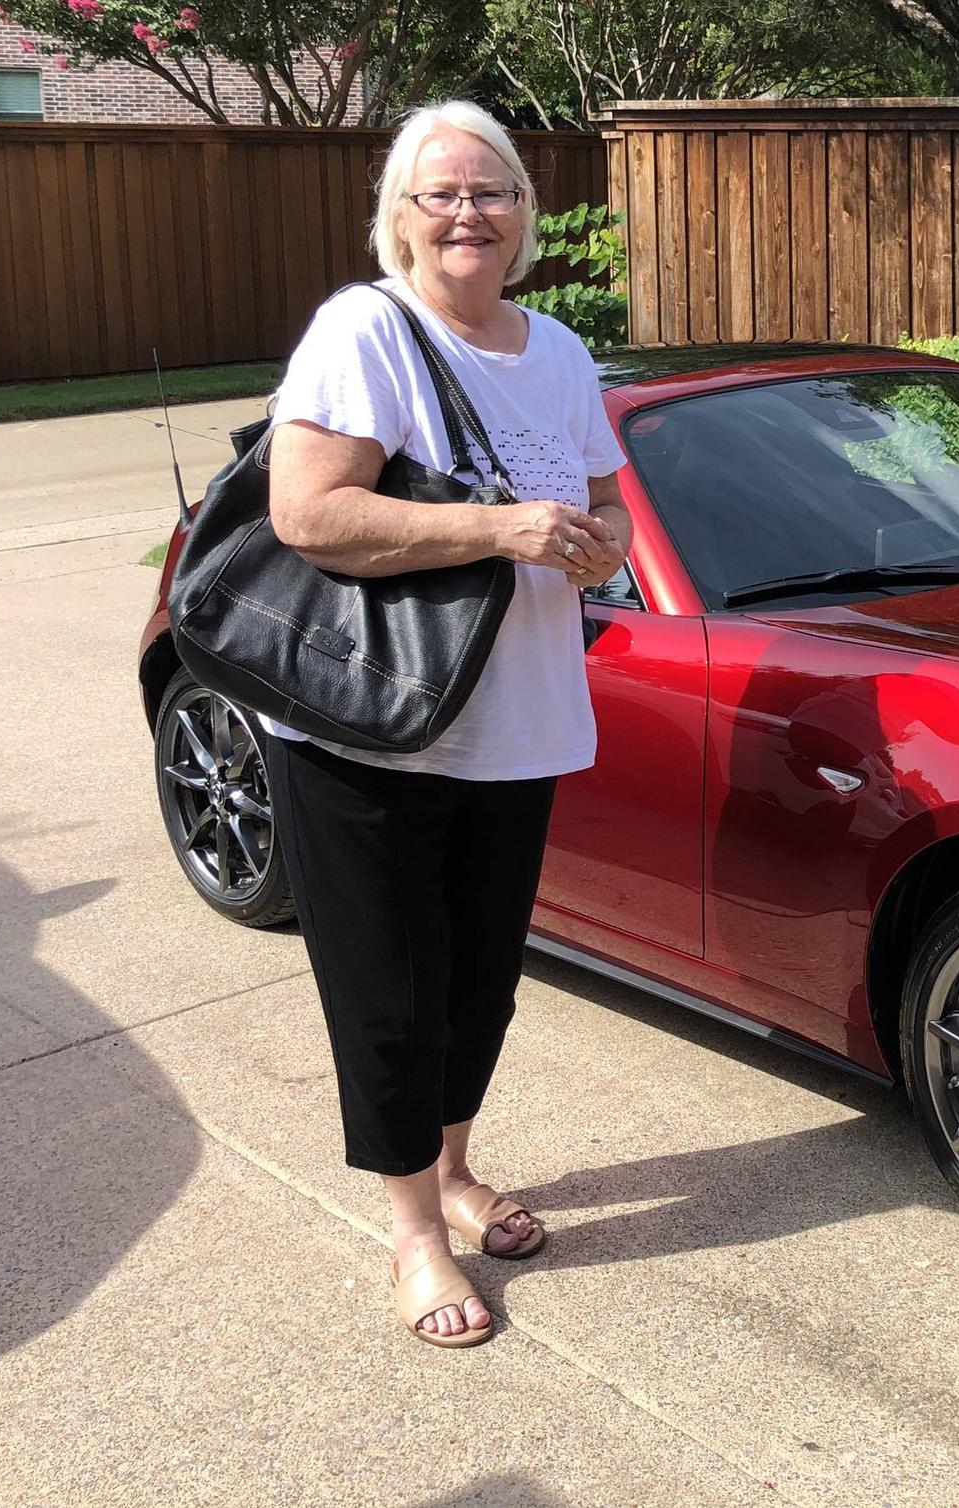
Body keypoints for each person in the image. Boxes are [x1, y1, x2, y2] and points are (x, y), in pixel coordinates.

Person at [260, 100, 630, 1348]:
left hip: (517, 717)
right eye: (441, 193)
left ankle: (455, 1168)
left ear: (524, 210)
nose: (469, 212)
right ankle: (415, 1231)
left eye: (492, 190)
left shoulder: (560, 350)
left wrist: (596, 544)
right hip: (370, 727)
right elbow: (308, 513)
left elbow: (604, 505)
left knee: (479, 988)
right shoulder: (365, 329)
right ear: (400, 216)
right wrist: (497, 527)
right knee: (390, 995)